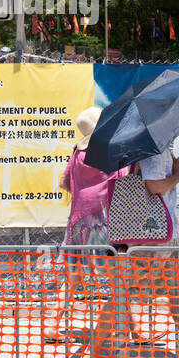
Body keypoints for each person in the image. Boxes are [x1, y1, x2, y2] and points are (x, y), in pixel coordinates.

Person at [90, 147, 179, 358]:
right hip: (153, 239)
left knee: (173, 294)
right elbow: (153, 186)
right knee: (124, 297)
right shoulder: (155, 149)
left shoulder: (150, 147)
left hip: (157, 238)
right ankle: (94, 355)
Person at [42, 107, 127, 345]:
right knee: (117, 278)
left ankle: (52, 325)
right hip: (104, 220)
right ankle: (130, 331)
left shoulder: (76, 153)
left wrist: (83, 193)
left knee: (72, 277)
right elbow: (122, 179)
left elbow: (64, 182)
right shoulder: (109, 152)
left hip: (78, 221)